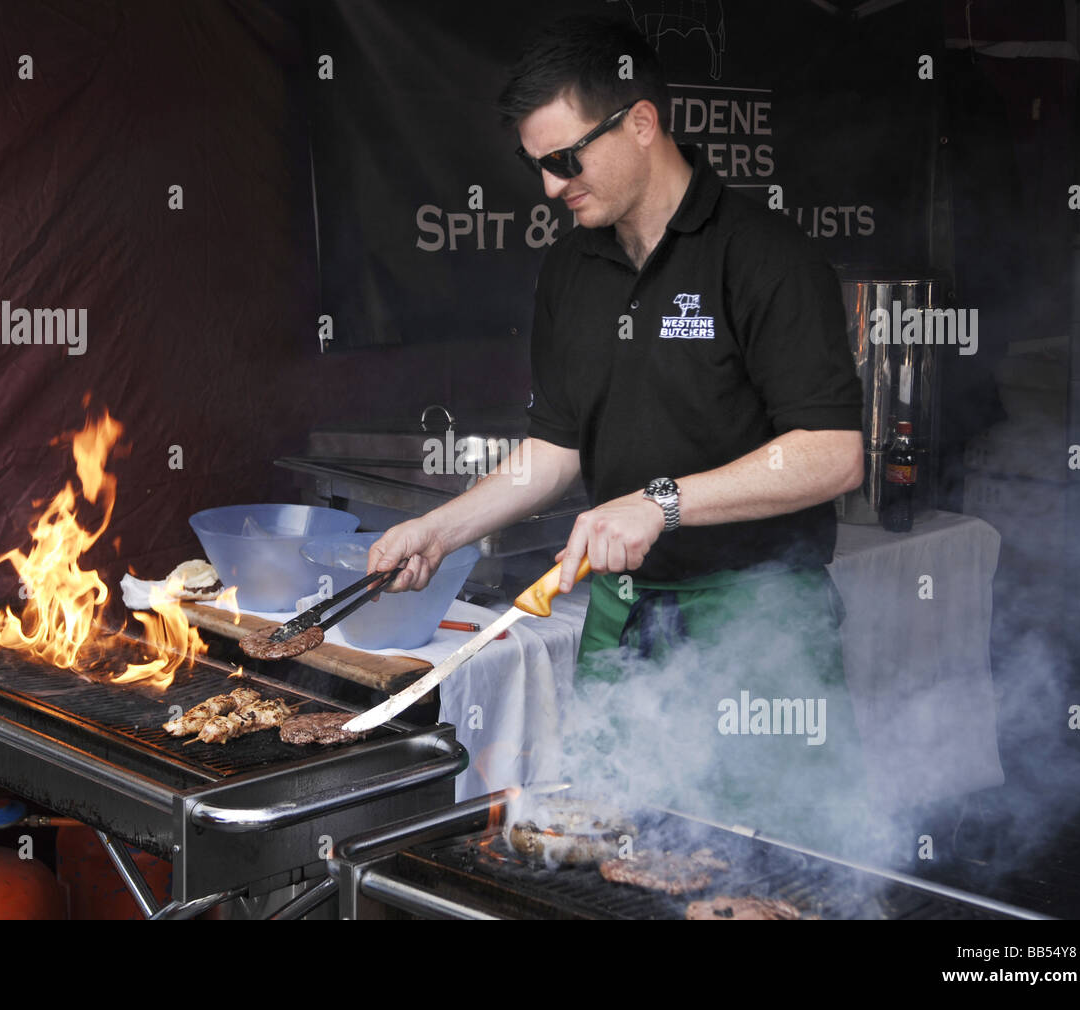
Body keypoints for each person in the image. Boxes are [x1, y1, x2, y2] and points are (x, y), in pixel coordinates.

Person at [368, 16, 869, 851]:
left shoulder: (765, 257)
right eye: (537, 167)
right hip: (624, 615)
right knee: (619, 850)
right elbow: (555, 450)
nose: (551, 187)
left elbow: (832, 451)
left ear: (640, 123)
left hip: (758, 616)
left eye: (565, 160)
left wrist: (661, 503)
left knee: (776, 862)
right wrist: (437, 530)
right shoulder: (571, 270)